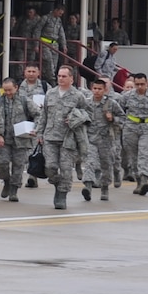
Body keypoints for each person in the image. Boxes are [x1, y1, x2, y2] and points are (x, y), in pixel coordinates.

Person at [35, 65, 93, 209]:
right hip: (50, 137)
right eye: (59, 76)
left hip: (69, 139)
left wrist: (77, 118)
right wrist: (39, 133)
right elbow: (44, 115)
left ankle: (61, 195)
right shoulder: (50, 93)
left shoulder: (78, 96)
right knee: (50, 167)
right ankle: (57, 184)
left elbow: (89, 114)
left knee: (66, 169)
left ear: (71, 79)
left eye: (64, 76)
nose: (60, 79)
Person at [0, 77, 38, 202]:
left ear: (16, 88)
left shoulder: (25, 101)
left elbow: (38, 114)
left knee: (18, 166)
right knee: (0, 163)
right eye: (5, 90)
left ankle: (14, 189)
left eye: (10, 90)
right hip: (3, 138)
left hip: (21, 139)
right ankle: (6, 181)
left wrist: (35, 128)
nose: (8, 93)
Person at [82, 76, 119, 202]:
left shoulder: (111, 104)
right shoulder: (86, 103)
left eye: (100, 89)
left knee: (106, 165)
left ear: (105, 90)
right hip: (90, 138)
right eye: (95, 88)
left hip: (106, 140)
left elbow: (123, 119)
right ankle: (88, 186)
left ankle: (104, 188)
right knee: (90, 162)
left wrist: (112, 118)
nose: (97, 91)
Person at [17, 62, 48, 189]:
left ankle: (32, 177)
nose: (31, 74)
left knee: (34, 150)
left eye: (33, 71)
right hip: (22, 122)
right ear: (24, 73)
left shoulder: (45, 86)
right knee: (21, 152)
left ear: (38, 73)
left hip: (37, 122)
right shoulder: (18, 86)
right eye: (28, 71)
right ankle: (18, 178)